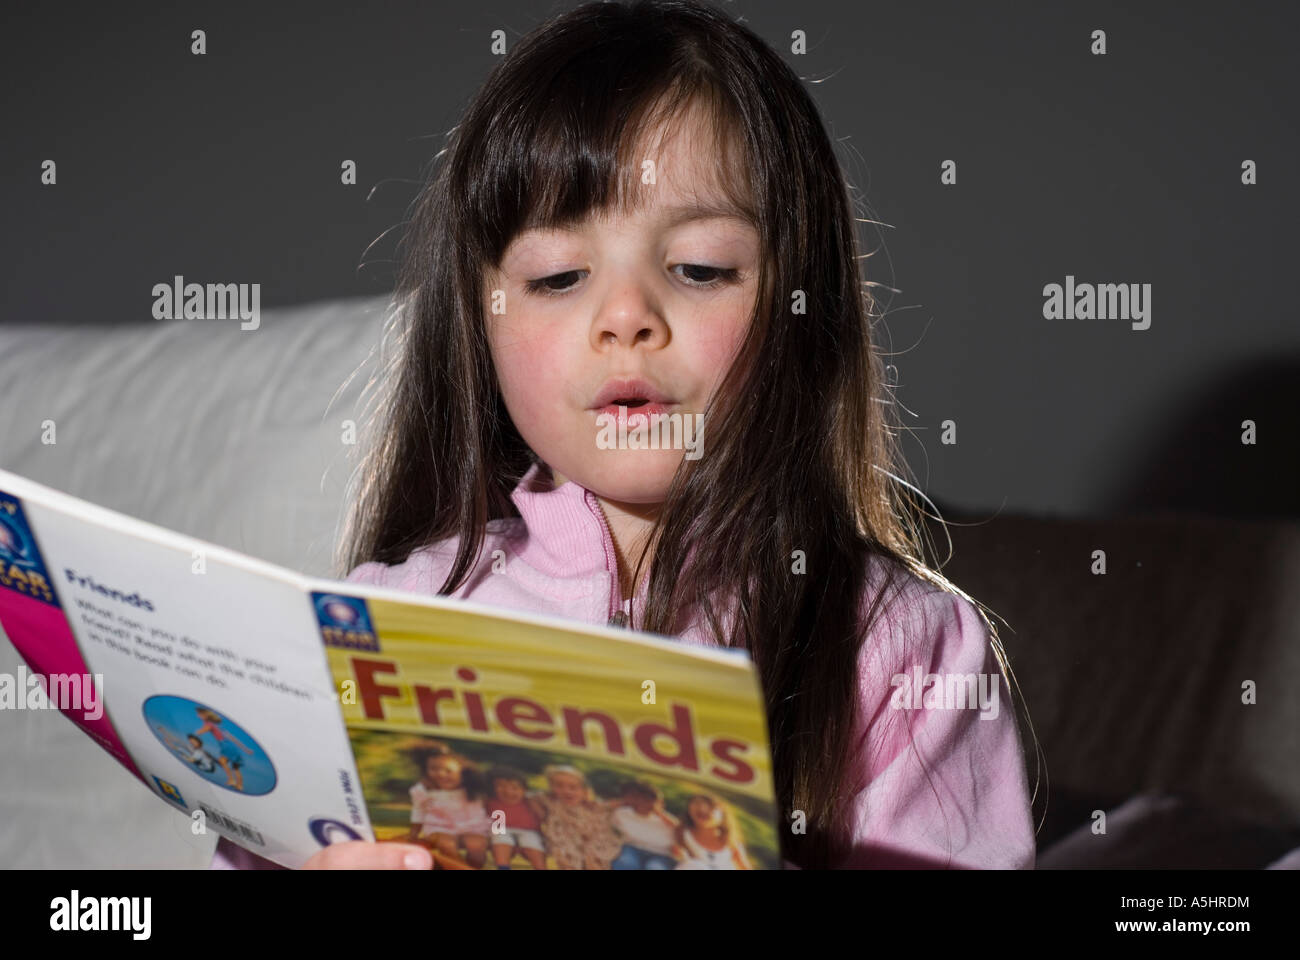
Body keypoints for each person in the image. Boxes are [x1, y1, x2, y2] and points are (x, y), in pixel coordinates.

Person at [217, 0, 1038, 871]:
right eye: (558, 275)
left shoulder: (900, 644)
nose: (625, 318)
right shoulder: (390, 621)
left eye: (699, 269)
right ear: (480, 323)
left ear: (801, 307)